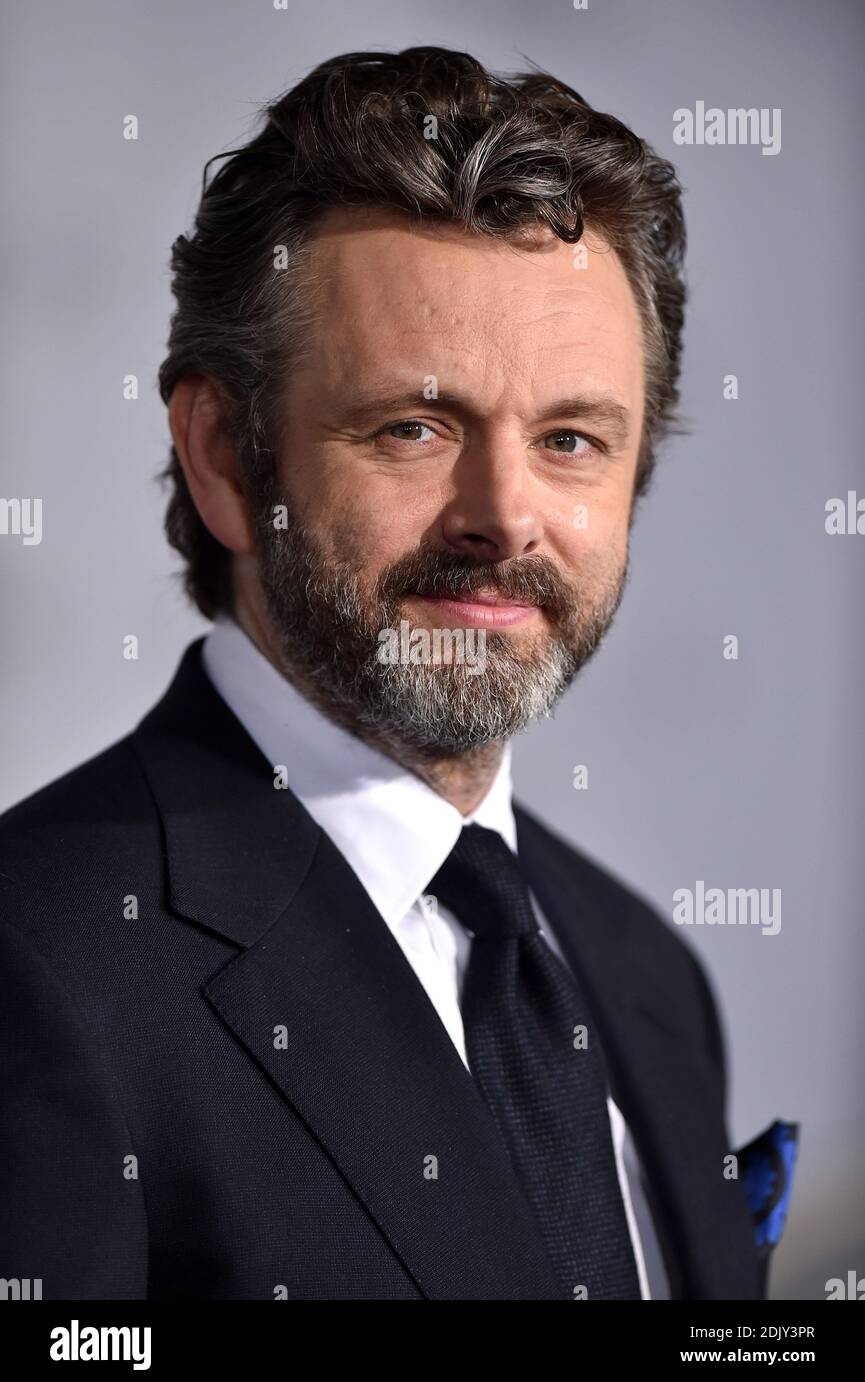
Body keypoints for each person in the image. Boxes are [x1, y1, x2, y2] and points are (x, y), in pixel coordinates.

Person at [0, 46, 790, 1300]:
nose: (505, 515)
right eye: (413, 429)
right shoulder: (39, 965)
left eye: (571, 438)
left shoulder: (646, 978)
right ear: (222, 456)